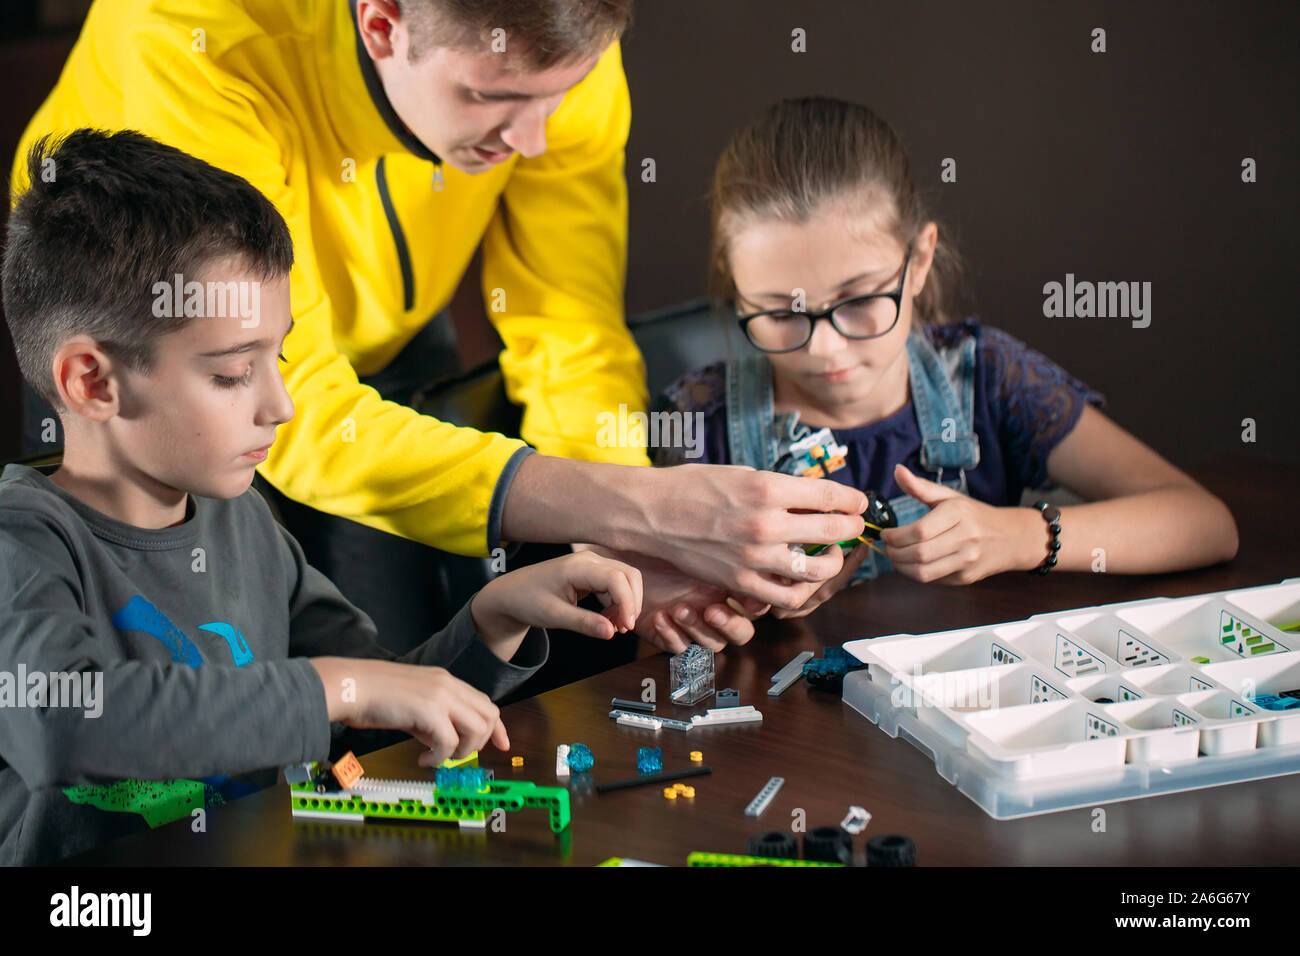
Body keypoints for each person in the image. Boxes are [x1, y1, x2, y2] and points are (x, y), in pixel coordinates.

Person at [9, 0, 869, 654]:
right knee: (193, 685)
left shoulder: (557, 52)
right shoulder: (183, 43)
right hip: (162, 361)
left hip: (376, 333)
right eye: (492, 99)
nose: (536, 140)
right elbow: (274, 399)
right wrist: (645, 509)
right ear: (383, 21)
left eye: (559, 98)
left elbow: (567, 327)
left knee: (385, 649)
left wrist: (623, 533)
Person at [0, 128, 649, 866]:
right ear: (92, 381)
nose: (280, 404)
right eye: (230, 374)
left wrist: (489, 623)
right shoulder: (22, 543)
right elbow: (58, 725)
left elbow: (371, 717)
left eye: (277, 357)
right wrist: (334, 688)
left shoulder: (243, 519)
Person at [655, 96, 1238, 617]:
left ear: (920, 260)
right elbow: (646, 617)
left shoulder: (986, 377)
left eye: (859, 301)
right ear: (737, 288)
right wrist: (716, 604)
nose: (825, 347)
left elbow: (1206, 524)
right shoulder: (695, 422)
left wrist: (1020, 537)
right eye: (781, 313)